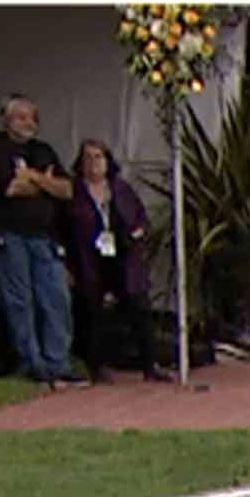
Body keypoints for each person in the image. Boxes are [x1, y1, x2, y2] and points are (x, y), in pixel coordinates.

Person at [0, 95, 79, 388]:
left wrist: (32, 177)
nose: (29, 123)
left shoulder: (43, 150)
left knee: (56, 298)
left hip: (44, 237)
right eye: (22, 117)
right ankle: (31, 362)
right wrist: (43, 183)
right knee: (21, 301)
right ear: (7, 120)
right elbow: (10, 188)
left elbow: (66, 190)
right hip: (10, 236)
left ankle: (58, 363)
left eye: (32, 117)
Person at [61, 139, 160, 384]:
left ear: (108, 161)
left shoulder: (120, 188)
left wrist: (137, 233)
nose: (93, 162)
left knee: (138, 306)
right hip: (87, 258)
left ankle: (150, 365)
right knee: (91, 312)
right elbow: (62, 228)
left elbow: (140, 217)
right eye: (88, 158)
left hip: (121, 256)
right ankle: (96, 367)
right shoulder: (74, 192)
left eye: (98, 157)